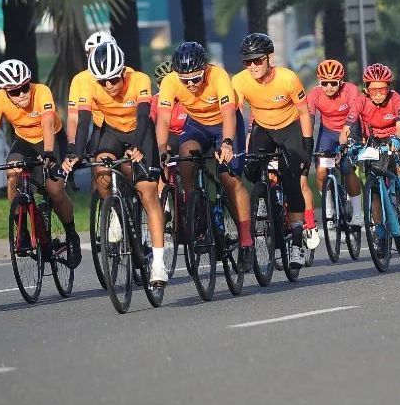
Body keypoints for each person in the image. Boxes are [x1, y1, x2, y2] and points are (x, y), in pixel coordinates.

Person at [62, 43, 168, 287]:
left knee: (148, 193)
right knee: (101, 168)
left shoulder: (139, 79)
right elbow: (84, 120)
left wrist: (138, 147)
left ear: (122, 72)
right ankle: (114, 214)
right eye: (102, 82)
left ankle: (159, 264)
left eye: (112, 79)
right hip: (111, 132)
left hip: (139, 132)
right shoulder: (91, 85)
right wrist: (75, 154)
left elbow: (143, 116)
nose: (108, 86)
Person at [155, 42, 255, 271]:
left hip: (225, 125)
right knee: (185, 155)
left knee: (230, 179)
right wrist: (162, 147)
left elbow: (229, 112)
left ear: (205, 70)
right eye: (185, 79)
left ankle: (246, 240)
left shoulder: (218, 75)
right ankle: (196, 208)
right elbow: (163, 117)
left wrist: (228, 143)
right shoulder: (171, 81)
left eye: (196, 78)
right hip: (198, 124)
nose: (190, 84)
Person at [0, 59, 80, 267]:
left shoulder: (41, 91)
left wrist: (50, 153)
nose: (22, 94)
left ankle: (72, 236)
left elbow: (48, 124)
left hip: (51, 138)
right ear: (6, 92)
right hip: (24, 140)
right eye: (14, 92)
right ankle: (22, 231)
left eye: (24, 87)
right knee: (12, 173)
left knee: (55, 190)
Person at [231, 33, 316, 269]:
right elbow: (234, 113)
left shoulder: (288, 78)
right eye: (248, 62)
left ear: (269, 58)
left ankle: (297, 244)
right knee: (250, 173)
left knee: (292, 183)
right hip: (263, 129)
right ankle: (267, 200)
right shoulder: (240, 81)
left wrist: (307, 145)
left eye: (258, 60)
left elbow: (304, 112)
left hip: (290, 129)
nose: (253, 66)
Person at [304, 59, 364, 230]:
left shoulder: (350, 90)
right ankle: (329, 208)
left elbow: (355, 112)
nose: (329, 87)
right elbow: (310, 117)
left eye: (333, 83)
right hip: (328, 132)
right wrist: (306, 140)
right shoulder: (315, 94)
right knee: (322, 169)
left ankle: (358, 213)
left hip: (350, 128)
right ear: (319, 82)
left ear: (341, 82)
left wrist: (347, 131)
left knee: (346, 167)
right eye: (324, 83)